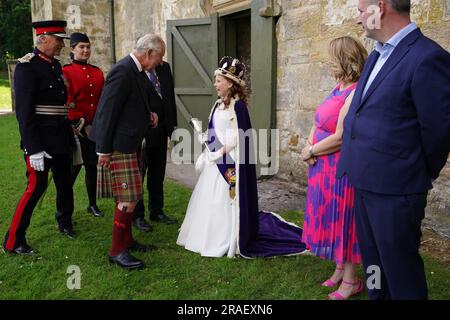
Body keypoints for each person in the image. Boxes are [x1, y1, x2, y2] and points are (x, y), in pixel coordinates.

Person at [337, 0, 450, 300]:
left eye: (362, 10)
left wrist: (413, 173)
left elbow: (438, 133)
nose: (359, 19)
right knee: (374, 268)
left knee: (401, 276)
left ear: (381, 7)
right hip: (364, 184)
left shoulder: (428, 57)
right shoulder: (377, 56)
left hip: (397, 192)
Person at [177, 56, 307, 258]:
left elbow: (242, 136)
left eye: (218, 80)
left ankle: (228, 237)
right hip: (216, 162)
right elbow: (214, 132)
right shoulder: (217, 105)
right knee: (209, 201)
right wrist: (209, 144)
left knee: (225, 201)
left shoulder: (238, 107)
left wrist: (219, 152)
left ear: (229, 83)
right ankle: (206, 236)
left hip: (231, 160)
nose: (215, 84)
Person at [300, 36, 368, 300]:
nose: (329, 64)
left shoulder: (355, 92)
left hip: (339, 170)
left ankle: (351, 281)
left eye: (332, 60)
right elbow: (318, 121)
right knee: (330, 218)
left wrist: (313, 150)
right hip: (321, 167)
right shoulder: (339, 86)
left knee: (343, 222)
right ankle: (339, 268)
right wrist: (308, 144)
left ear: (345, 60)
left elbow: (341, 136)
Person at [3, 20, 76, 255]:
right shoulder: (27, 67)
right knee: (36, 187)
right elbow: (24, 113)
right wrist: (33, 148)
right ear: (43, 38)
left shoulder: (54, 65)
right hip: (41, 141)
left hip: (61, 136)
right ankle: (13, 240)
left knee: (66, 184)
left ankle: (65, 223)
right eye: (58, 40)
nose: (62, 45)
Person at [90, 33, 161, 270]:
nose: (160, 62)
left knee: (130, 197)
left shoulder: (137, 71)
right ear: (149, 53)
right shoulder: (123, 70)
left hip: (129, 143)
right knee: (127, 199)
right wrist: (103, 150)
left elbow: (131, 104)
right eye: (159, 56)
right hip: (119, 146)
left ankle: (127, 240)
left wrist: (148, 115)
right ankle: (116, 251)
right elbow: (107, 111)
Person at [132, 60, 178, 232]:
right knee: (139, 175)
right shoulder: (135, 70)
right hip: (142, 132)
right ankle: (137, 215)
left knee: (157, 173)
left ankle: (156, 211)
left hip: (162, 129)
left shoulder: (164, 67)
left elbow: (169, 96)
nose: (161, 59)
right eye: (158, 54)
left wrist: (171, 126)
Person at [63, 32, 105, 218]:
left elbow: (102, 100)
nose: (86, 50)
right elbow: (68, 100)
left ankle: (92, 204)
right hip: (75, 129)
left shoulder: (97, 72)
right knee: (72, 170)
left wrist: (96, 124)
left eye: (88, 47)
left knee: (92, 167)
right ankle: (64, 208)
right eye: (81, 47)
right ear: (72, 49)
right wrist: (82, 123)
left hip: (95, 128)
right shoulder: (66, 72)